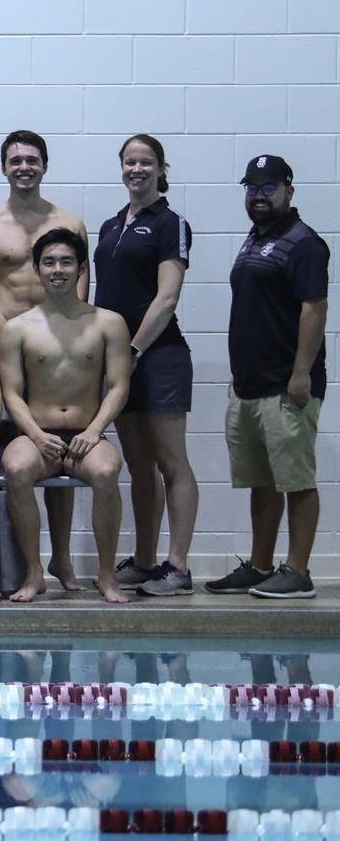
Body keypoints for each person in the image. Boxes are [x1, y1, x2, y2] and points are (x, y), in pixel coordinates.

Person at [0, 129, 90, 591]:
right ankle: (27, 566)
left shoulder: (70, 224)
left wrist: (56, 344)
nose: (24, 167)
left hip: (64, 357)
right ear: (3, 168)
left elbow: (82, 292)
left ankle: (60, 558)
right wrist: (18, 340)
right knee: (20, 459)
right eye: (15, 160)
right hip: (11, 355)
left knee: (66, 452)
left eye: (32, 160)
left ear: (45, 165)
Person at [212, 155, 330, 599]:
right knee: (261, 482)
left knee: (296, 481)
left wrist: (301, 375)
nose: (258, 196)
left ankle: (298, 572)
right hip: (249, 386)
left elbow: (313, 309)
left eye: (268, 188)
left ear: (288, 191)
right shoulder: (254, 239)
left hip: (287, 386)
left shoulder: (304, 243)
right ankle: (261, 566)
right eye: (252, 188)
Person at [0, 228, 132, 605]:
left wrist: (94, 430)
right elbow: (11, 393)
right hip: (38, 433)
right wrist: (37, 436)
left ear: (81, 268)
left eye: (66, 261)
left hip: (86, 434)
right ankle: (34, 573)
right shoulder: (17, 328)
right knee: (16, 467)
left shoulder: (108, 323)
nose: (58, 269)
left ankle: (107, 577)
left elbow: (119, 386)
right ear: (37, 270)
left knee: (107, 471)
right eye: (49, 262)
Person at [93, 133, 199, 597]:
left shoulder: (169, 222)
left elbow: (167, 298)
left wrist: (133, 352)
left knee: (171, 462)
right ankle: (144, 559)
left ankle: (177, 567)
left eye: (146, 163)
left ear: (160, 169)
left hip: (158, 357)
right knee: (139, 467)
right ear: (121, 168)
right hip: (121, 361)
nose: (137, 170)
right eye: (130, 162)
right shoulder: (112, 225)